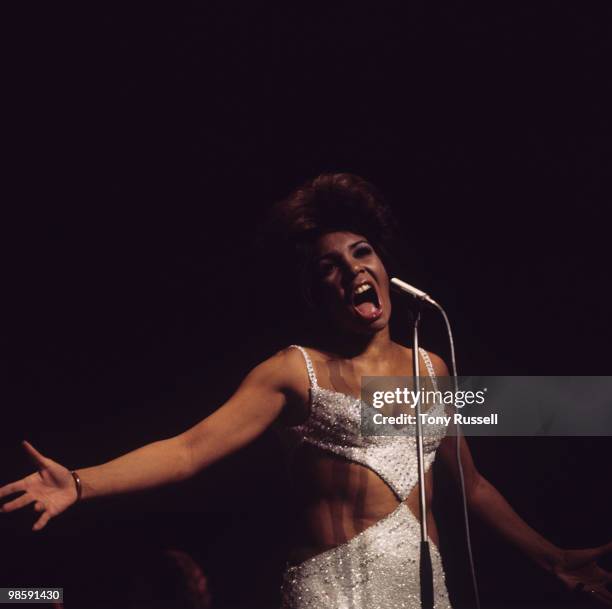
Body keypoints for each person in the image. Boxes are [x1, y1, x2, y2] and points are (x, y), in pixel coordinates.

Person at [1, 173, 611, 608]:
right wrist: (80, 483)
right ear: (318, 294)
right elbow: (189, 450)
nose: (353, 270)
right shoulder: (297, 371)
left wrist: (551, 556)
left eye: (361, 252)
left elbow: (470, 484)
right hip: (335, 593)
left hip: (426, 592)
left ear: (384, 269)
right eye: (330, 267)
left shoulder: (431, 370)